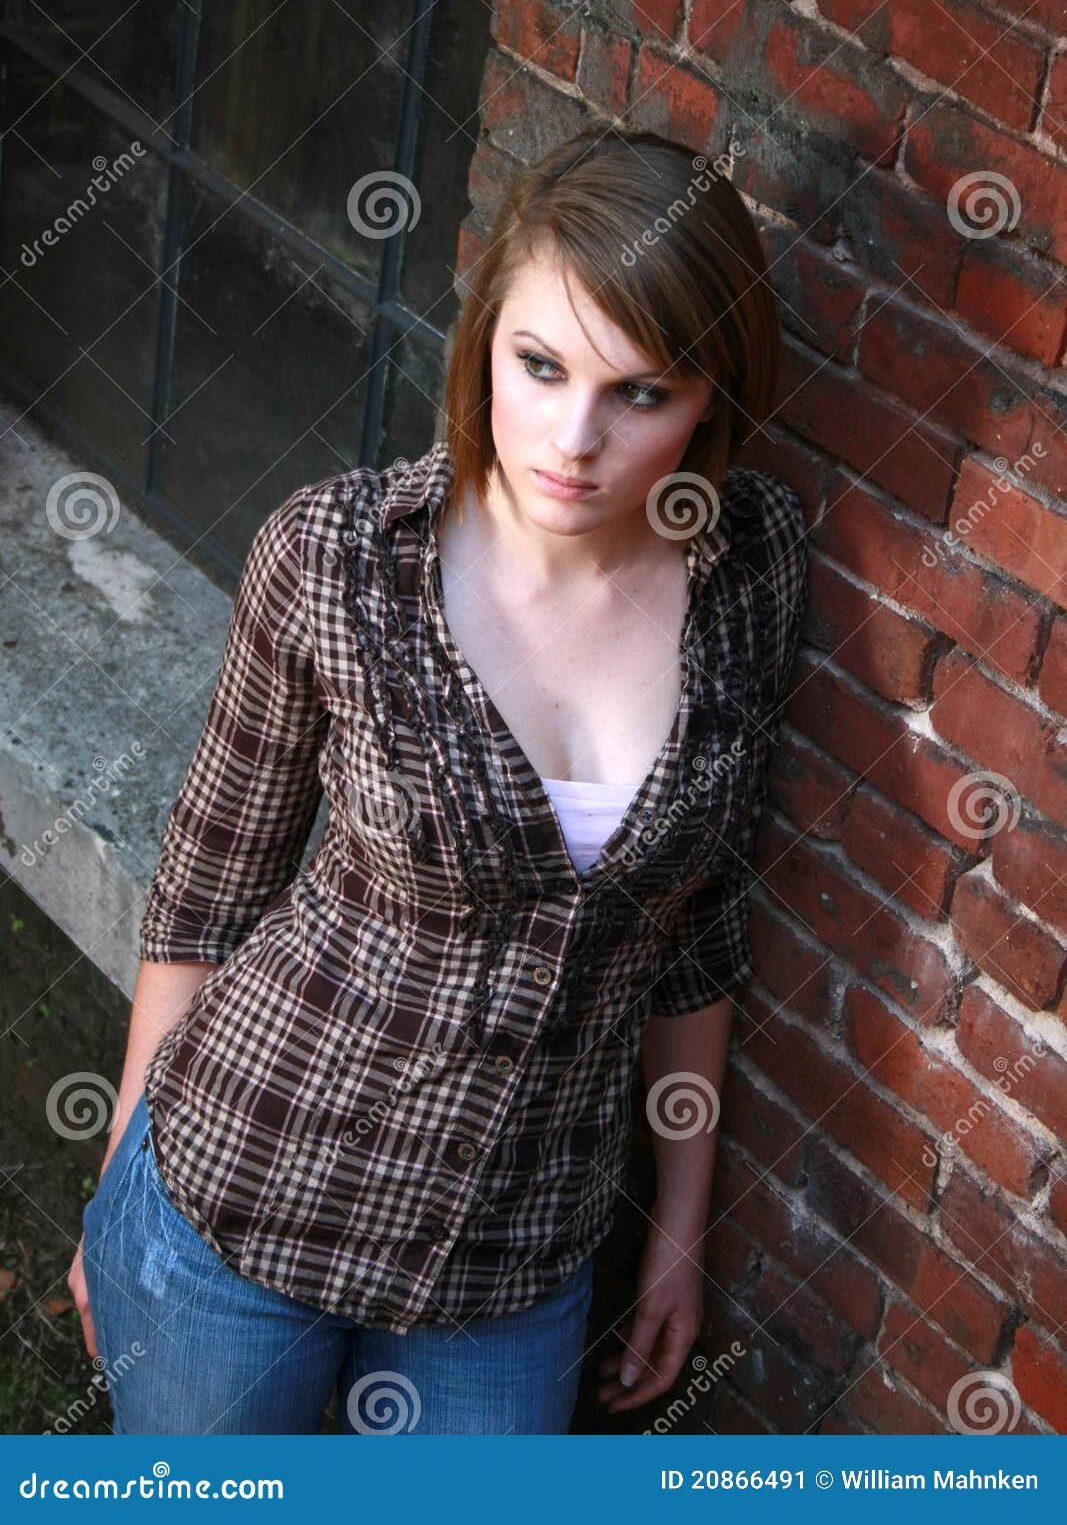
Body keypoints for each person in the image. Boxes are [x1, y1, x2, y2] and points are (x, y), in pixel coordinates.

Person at [69, 123, 808, 1434]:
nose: (573, 438)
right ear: (485, 348)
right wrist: (124, 1163)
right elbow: (206, 890)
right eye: (539, 366)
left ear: (715, 399)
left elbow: (699, 927)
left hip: (513, 1273)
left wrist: (681, 1224)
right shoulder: (338, 560)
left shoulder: (748, 574)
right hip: (242, 1207)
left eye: (643, 392)